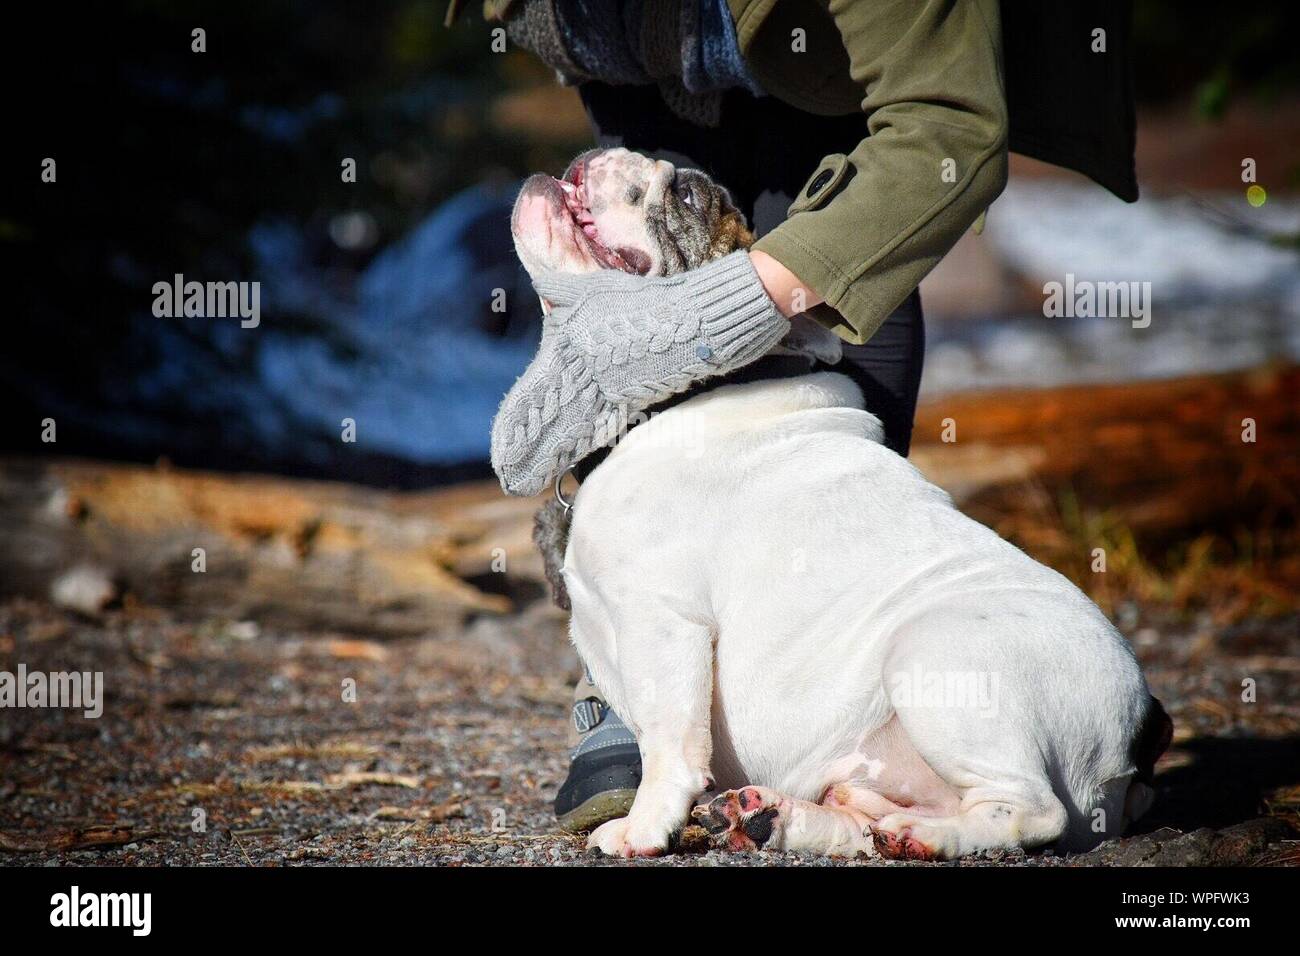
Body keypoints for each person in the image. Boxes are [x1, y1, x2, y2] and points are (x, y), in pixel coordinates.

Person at [446, 0, 1138, 832]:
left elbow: (943, 131)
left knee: (823, 197)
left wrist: (743, 299)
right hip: (647, 46)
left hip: (843, 72)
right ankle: (696, 709)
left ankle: (978, 794)